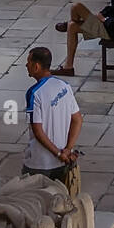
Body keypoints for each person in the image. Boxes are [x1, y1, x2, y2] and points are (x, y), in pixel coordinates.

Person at [22, 47, 82, 183]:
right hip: (63, 162)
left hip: (39, 163)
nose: (26, 65)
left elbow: (38, 132)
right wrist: (67, 150)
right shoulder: (64, 86)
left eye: (28, 62)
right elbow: (77, 120)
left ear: (36, 66)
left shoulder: (34, 93)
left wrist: (59, 154)